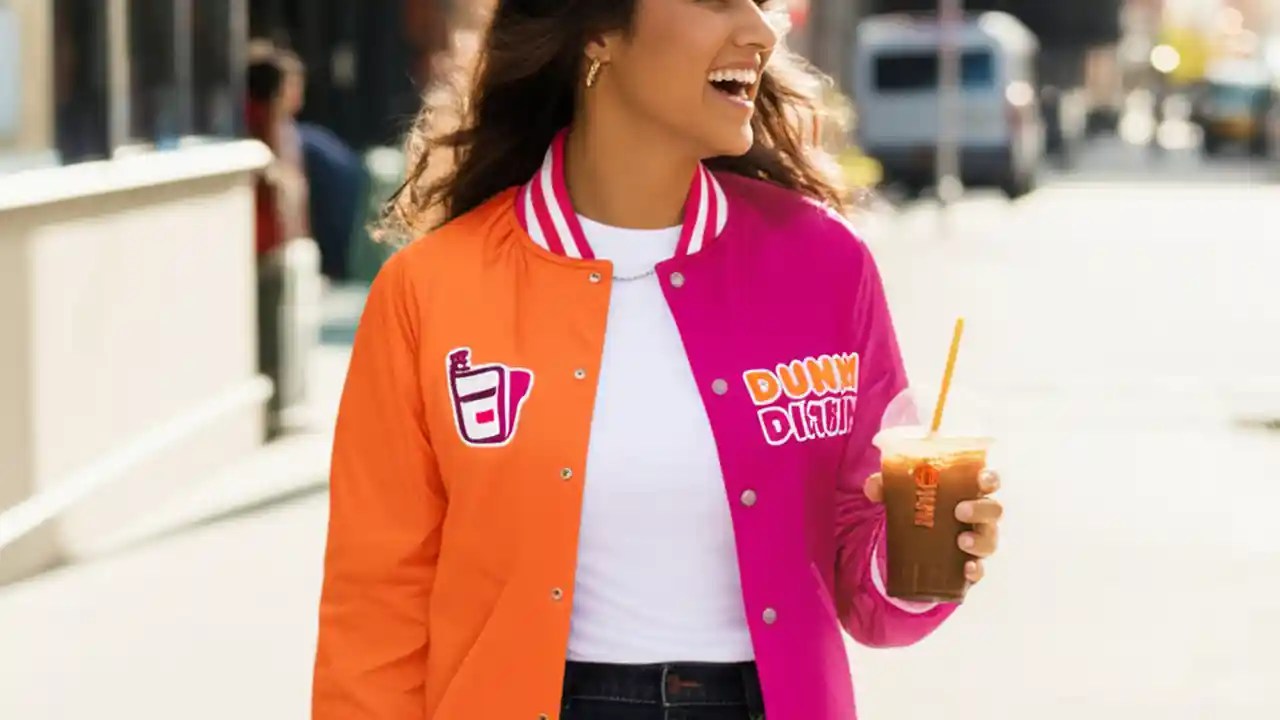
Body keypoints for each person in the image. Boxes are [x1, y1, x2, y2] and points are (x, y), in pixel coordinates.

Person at [312, 2, 1005, 719]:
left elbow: (863, 576)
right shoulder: (431, 291)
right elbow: (377, 611)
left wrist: (925, 553)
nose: (762, 30)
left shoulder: (823, 265)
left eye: (762, 3)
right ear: (599, 33)